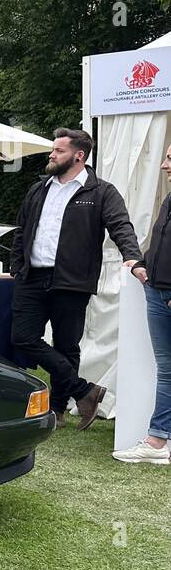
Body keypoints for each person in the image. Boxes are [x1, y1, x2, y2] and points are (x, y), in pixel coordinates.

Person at [10, 127, 146, 429]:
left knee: (66, 345)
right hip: (32, 277)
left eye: (59, 151)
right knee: (22, 337)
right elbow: (22, 229)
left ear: (78, 156)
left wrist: (132, 256)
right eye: (53, 149)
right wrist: (17, 266)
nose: (52, 155)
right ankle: (85, 391)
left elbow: (120, 225)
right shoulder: (39, 188)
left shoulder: (101, 192)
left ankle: (56, 410)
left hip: (72, 281)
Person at [114, 142, 171, 463]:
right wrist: (140, 265)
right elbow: (161, 244)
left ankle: (156, 442)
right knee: (167, 369)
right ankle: (158, 440)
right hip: (156, 291)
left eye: (170, 159)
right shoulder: (169, 199)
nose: (164, 165)